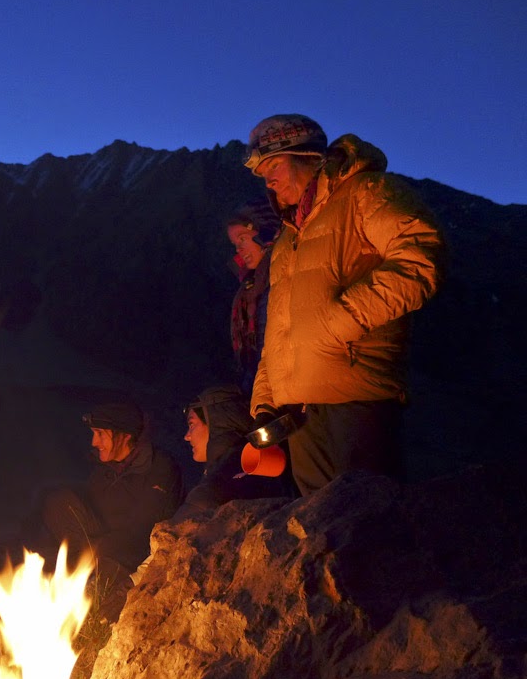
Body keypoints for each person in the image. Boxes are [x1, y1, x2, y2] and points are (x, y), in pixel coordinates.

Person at [243, 114, 444, 496]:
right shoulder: (287, 238)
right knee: (318, 521)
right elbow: (280, 329)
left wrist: (339, 323)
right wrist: (265, 402)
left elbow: (421, 260)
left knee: (369, 513)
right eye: (262, 173)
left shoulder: (366, 193)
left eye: (274, 166)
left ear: (308, 157)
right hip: (298, 412)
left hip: (357, 397)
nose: (267, 180)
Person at [41, 399, 181, 620]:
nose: (94, 442)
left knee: (96, 571)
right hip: (99, 550)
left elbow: (141, 531)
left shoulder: (159, 468)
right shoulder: (103, 471)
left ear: (124, 435)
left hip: (131, 557)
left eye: (100, 434)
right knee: (59, 502)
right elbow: (83, 520)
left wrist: (94, 555)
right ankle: (79, 577)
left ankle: (90, 591)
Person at [170, 385, 292, 523]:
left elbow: (195, 509)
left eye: (191, 424)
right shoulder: (248, 462)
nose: (187, 436)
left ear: (216, 422)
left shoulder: (234, 470)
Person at [227, 200, 281, 396]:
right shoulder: (251, 289)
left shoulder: (280, 276)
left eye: (242, 239)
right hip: (264, 386)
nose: (238, 250)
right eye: (235, 244)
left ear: (263, 234)